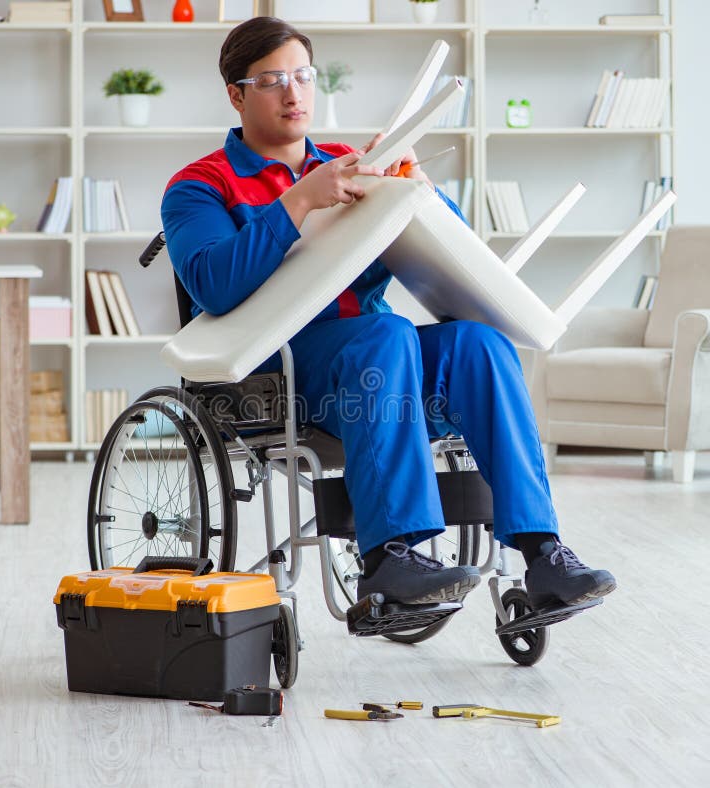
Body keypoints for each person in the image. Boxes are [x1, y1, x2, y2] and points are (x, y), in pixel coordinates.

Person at [161, 16, 616, 611]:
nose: (293, 93)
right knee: (385, 333)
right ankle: (389, 561)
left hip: (381, 374)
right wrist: (298, 200)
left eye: (303, 76)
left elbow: (452, 261)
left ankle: (543, 553)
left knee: (478, 344)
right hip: (280, 378)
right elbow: (214, 287)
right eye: (272, 80)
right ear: (237, 94)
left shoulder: (353, 165)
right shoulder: (198, 186)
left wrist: (419, 192)